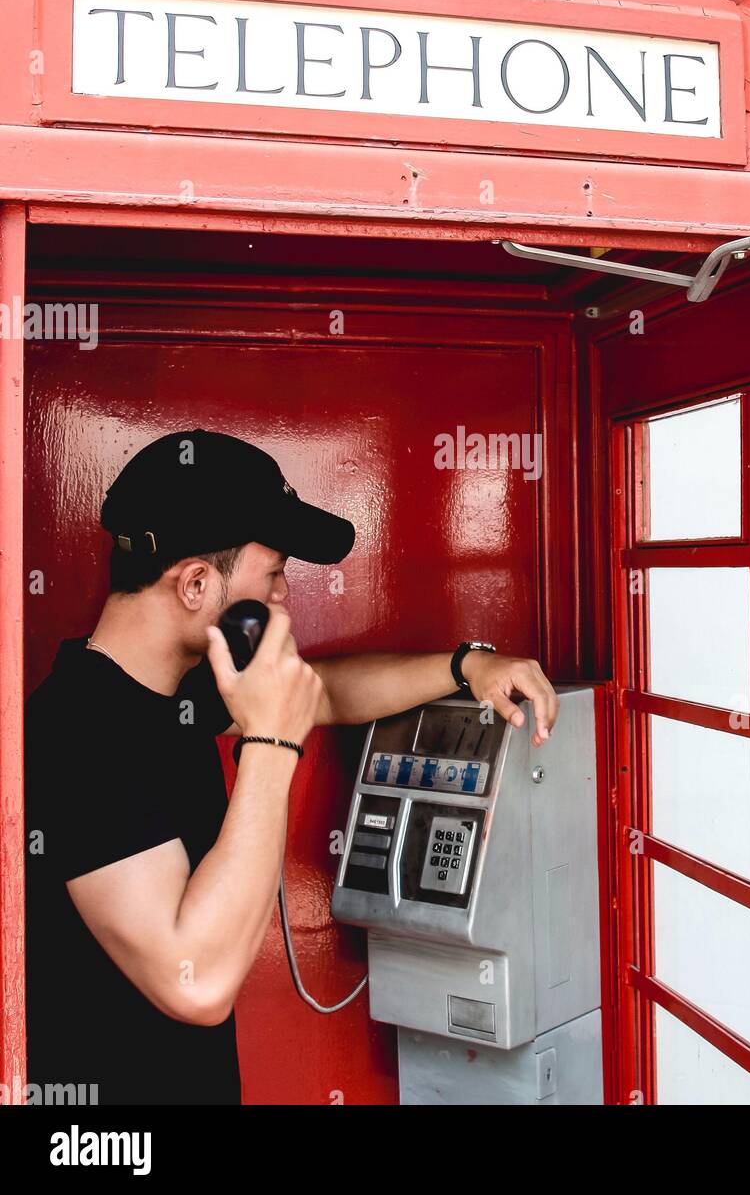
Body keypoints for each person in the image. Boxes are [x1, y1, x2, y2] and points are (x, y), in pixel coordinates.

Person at [24, 428, 559, 1105]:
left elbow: (323, 692)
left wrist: (466, 666)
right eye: (273, 574)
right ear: (195, 583)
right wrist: (271, 744)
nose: (283, 596)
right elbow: (196, 984)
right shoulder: (77, 733)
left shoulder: (168, 688)